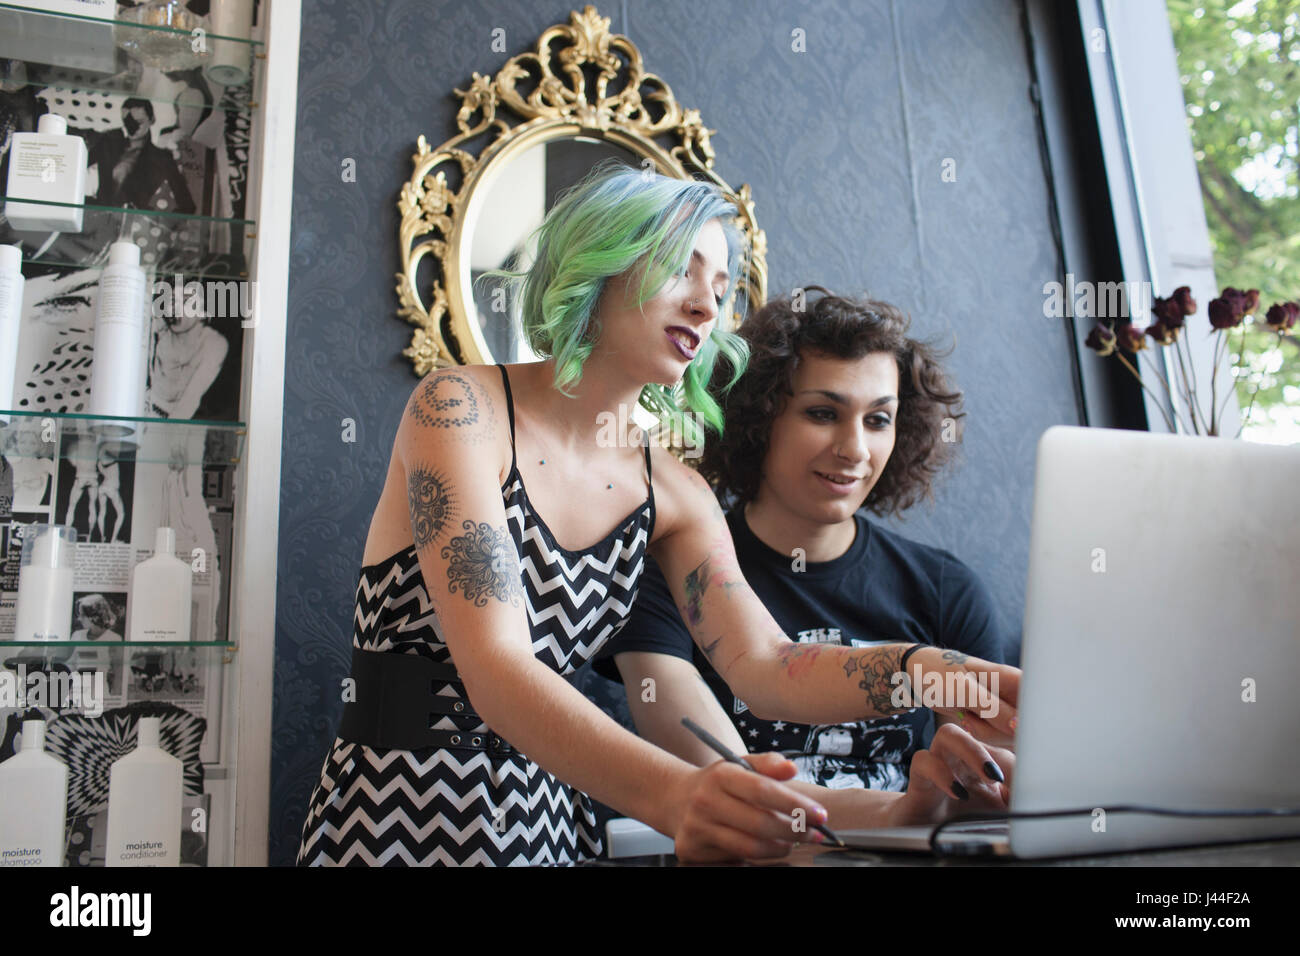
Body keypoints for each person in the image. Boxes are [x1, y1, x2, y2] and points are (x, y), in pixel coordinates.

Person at [296, 162, 1018, 867]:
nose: (707, 307)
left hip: (551, 822)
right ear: (598, 261)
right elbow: (497, 666)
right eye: (683, 268)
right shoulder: (459, 410)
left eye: (721, 287)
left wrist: (926, 670)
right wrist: (679, 797)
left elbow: (769, 665)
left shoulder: (675, 495)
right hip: (393, 811)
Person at [593, 288, 1011, 827]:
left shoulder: (946, 590)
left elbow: (987, 778)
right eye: (822, 413)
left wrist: (985, 787)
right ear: (758, 418)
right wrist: (903, 813)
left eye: (878, 420)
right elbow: (720, 774)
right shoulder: (673, 570)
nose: (855, 449)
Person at [87, 98, 196, 213]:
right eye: (126, 121)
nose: (132, 128)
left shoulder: (162, 158)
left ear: (152, 120)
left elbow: (187, 206)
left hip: (129, 222)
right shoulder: (108, 144)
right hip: (96, 215)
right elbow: (76, 162)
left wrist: (156, 222)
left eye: (139, 122)